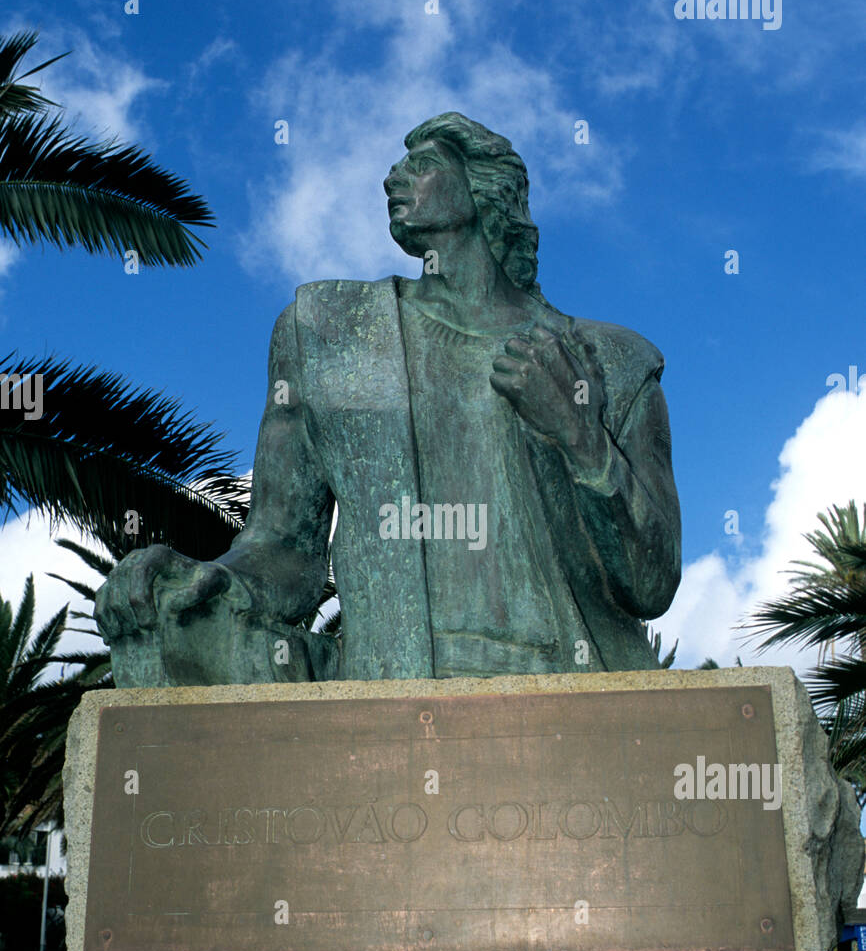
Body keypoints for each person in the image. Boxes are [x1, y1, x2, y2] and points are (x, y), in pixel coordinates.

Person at [95, 112, 681, 684]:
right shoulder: (325, 330)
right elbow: (284, 547)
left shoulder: (613, 360)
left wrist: (584, 445)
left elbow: (651, 584)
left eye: (422, 164)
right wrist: (207, 580)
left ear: (485, 192)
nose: (392, 177)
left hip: (575, 691)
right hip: (391, 685)